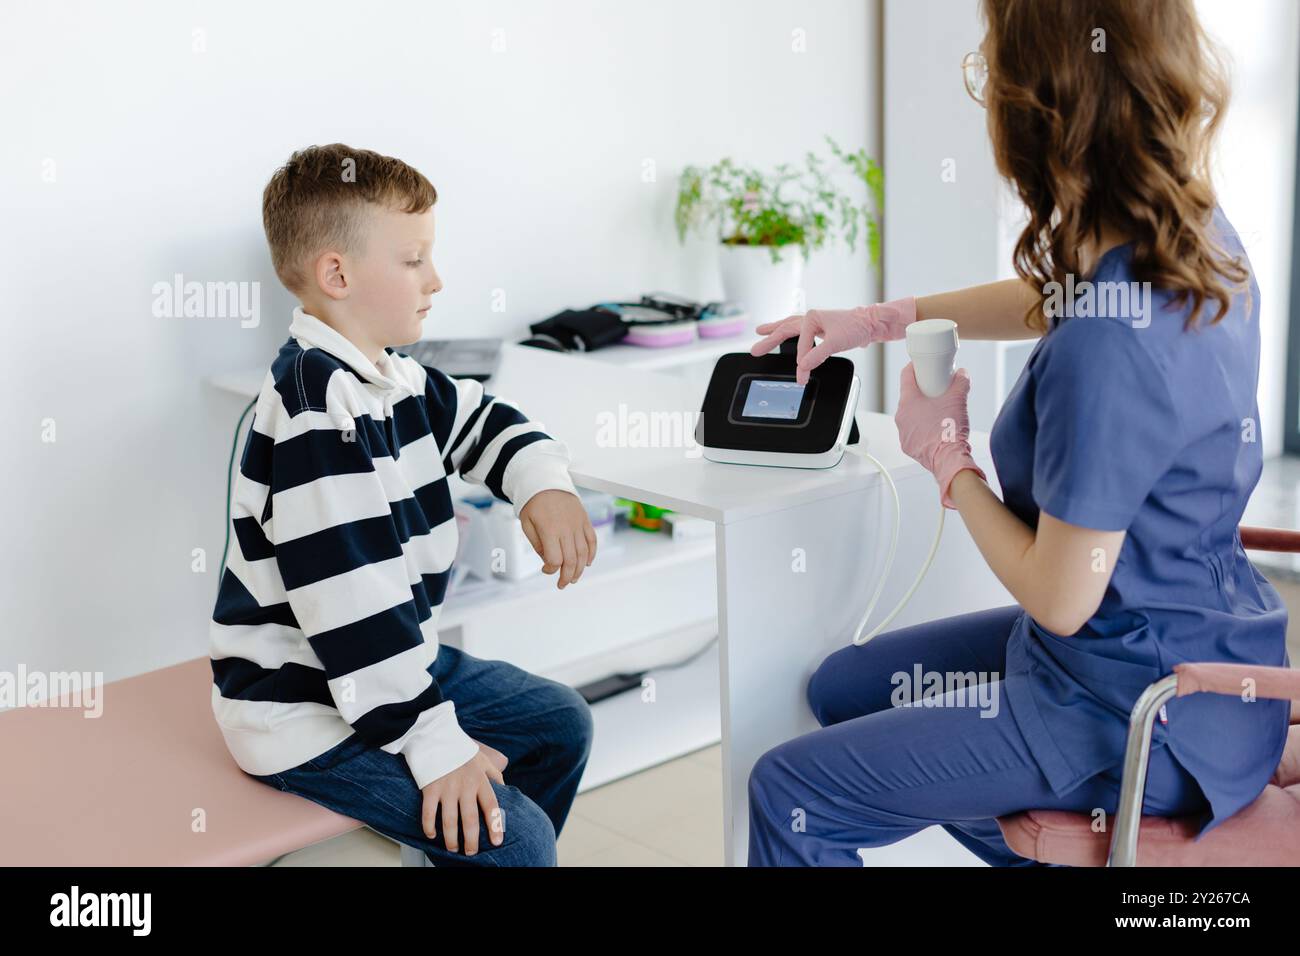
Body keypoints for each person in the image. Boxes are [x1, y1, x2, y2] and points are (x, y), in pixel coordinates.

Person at [745, 0, 1291, 866]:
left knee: (791, 789)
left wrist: (947, 461)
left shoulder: (1111, 355)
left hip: (1135, 714)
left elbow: (1060, 596)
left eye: (989, 67)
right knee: (844, 687)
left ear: (1042, 106)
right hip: (1204, 653)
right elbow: (1059, 298)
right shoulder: (1191, 235)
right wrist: (883, 318)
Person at [210, 144, 596, 866]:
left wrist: (543, 483)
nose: (437, 279)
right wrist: (434, 743)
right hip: (304, 705)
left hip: (382, 667)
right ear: (338, 274)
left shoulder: (394, 380)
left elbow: (490, 422)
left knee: (558, 723)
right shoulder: (315, 413)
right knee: (519, 840)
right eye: (414, 259)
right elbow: (350, 607)